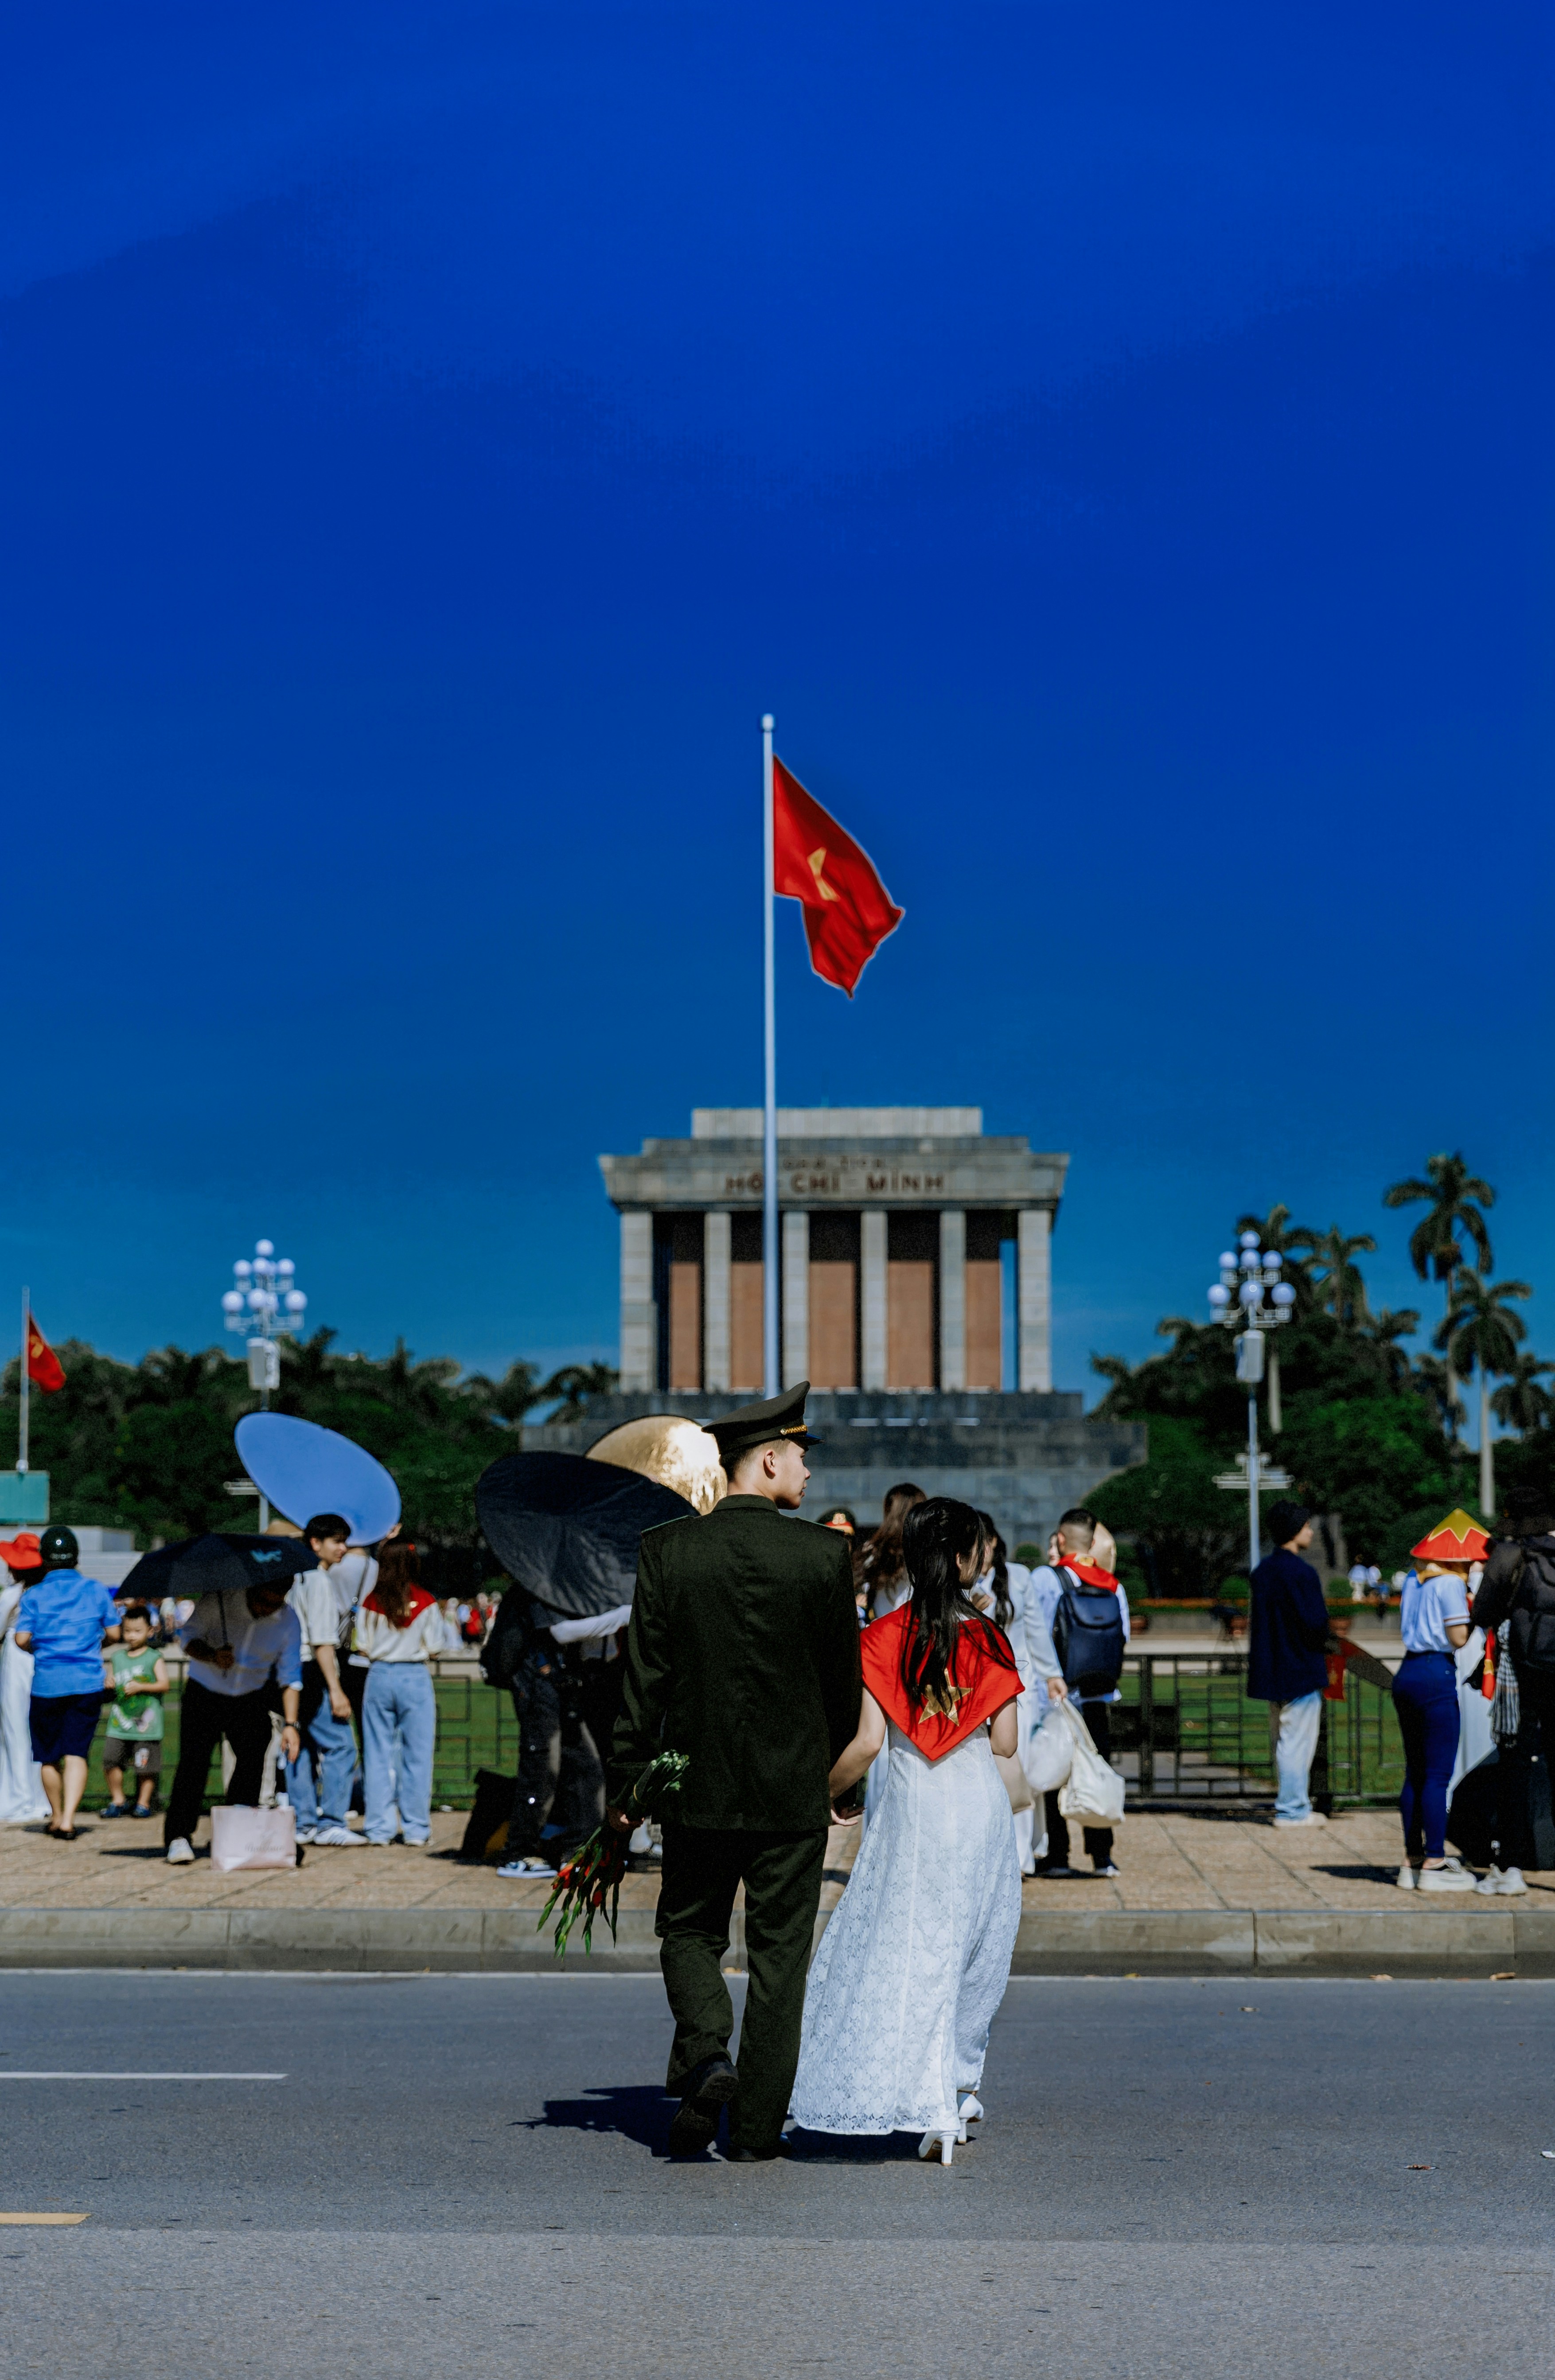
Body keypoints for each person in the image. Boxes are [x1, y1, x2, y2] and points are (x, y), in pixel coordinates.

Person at [606, 1382, 861, 2162]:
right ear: (771, 1458)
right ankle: (753, 2133)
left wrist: (628, 1787)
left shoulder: (667, 1550)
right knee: (782, 1958)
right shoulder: (824, 1554)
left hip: (695, 1788)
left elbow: (642, 1681)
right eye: (801, 1459)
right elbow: (841, 1687)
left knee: (687, 1930)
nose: (808, 1476)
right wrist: (832, 1778)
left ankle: (707, 2052)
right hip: (789, 1790)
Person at [791, 1497, 1024, 2165]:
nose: (986, 1558)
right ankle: (951, 2091)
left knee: (909, 1949)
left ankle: (920, 2092)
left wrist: (820, 1794)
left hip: (915, 1811)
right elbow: (1005, 1745)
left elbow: (867, 1744)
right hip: (974, 1805)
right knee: (971, 1952)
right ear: (959, 1558)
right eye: (979, 1548)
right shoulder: (987, 1636)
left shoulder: (880, 1637)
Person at [164, 1579, 303, 1864]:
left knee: (253, 1759)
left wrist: (291, 1724)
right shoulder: (218, 1599)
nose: (268, 1609)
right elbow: (188, 1639)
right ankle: (179, 1836)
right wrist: (213, 1656)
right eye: (264, 1601)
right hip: (205, 1689)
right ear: (254, 1589)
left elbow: (291, 1676)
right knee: (194, 1764)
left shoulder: (288, 1621)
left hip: (251, 1695)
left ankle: (236, 1830)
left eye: (277, 1602)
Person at [1030, 1507, 1129, 1876]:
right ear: (1091, 1543)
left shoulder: (1046, 1579)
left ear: (1059, 1539)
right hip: (1097, 1698)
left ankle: (1058, 1857)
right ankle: (1102, 1857)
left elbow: (1037, 1635)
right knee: (1096, 1773)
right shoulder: (1112, 1585)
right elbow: (1122, 1640)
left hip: (1055, 1701)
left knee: (1052, 1775)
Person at [1389, 1514, 1484, 1890]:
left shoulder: (1414, 1579)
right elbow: (1458, 1638)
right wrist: (1478, 1610)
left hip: (1407, 1671)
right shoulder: (1448, 1584)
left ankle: (1411, 1859)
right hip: (1435, 1673)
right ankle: (1435, 1862)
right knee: (1437, 1775)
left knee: (1414, 1771)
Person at [1471, 1481, 1555, 1897]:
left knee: (1514, 1770)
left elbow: (1482, 1612)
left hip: (1520, 1676)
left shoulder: (1509, 1554)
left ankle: (1511, 1869)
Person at [12, 1526, 121, 1840]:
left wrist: (44, 1648)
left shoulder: (35, 1595)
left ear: (44, 1560)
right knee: (76, 1753)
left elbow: (21, 1639)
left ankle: (56, 1816)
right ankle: (70, 1820)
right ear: (76, 1557)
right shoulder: (96, 1590)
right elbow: (114, 1633)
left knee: (48, 1756)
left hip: (47, 1684)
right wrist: (90, 1646)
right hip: (86, 1683)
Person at [972, 1511, 1066, 1873]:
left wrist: (1052, 1674)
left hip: (1017, 1691)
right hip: (974, 1693)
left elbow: (1037, 1632)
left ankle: (1020, 1856)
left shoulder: (1019, 1577)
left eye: (985, 1543)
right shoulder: (958, 1581)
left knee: (1016, 1770)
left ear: (995, 1543)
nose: (981, 1552)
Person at [354, 1542, 458, 1846]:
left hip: (379, 1675)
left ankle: (378, 1827)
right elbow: (436, 1647)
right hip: (414, 1676)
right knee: (418, 1755)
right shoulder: (425, 1600)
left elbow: (362, 1645)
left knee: (376, 1753)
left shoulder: (371, 1601)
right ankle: (416, 1828)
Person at [1246, 1501, 1330, 1829]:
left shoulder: (1262, 1573)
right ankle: (1292, 1809)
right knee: (1297, 1744)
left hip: (1271, 1669)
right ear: (1294, 1530)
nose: (1310, 1531)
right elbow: (1315, 1623)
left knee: (1282, 1742)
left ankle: (1291, 1804)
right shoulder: (1302, 1573)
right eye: (1306, 1526)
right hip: (1301, 1668)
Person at [284, 1513, 364, 1849]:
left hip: (290, 1669)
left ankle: (304, 1822)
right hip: (312, 1671)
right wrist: (336, 1689)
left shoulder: (295, 1576)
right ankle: (331, 1820)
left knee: (298, 1747)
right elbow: (322, 1641)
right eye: (337, 1541)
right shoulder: (317, 1580)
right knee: (342, 1747)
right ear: (316, 1544)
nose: (343, 1548)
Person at [101, 1602, 169, 1818]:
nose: (131, 1636)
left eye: (137, 1631)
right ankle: (118, 1799)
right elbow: (113, 1684)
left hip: (146, 1725)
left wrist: (142, 1687)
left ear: (150, 1632)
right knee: (111, 1760)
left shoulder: (154, 1657)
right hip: (119, 1723)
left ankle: (143, 1803)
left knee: (145, 1766)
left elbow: (164, 1684)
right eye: (128, 1631)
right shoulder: (118, 1658)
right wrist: (109, 1683)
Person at [0, 1536, 50, 1825]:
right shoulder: (47, 1593)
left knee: (15, 1728)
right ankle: (40, 1797)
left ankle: (19, 1798)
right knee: (39, 1729)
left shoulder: (13, 1595)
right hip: (44, 1657)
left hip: (17, 1659)